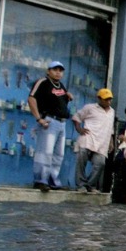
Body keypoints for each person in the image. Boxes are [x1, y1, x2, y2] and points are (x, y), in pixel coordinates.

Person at [27, 60, 74, 190]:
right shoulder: (43, 82)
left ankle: (52, 179)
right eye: (55, 70)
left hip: (62, 123)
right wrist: (38, 118)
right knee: (45, 152)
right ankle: (40, 180)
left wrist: (67, 96)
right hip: (50, 121)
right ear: (49, 71)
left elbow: (59, 102)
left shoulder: (61, 86)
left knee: (59, 154)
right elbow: (31, 98)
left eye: (60, 70)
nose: (58, 73)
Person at [71, 88, 115, 193]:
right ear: (99, 99)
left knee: (100, 163)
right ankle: (80, 185)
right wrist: (79, 129)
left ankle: (90, 185)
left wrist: (111, 141)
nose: (108, 102)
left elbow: (110, 127)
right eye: (106, 99)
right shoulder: (90, 108)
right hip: (88, 139)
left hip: (102, 142)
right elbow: (77, 117)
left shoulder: (112, 111)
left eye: (110, 99)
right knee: (81, 160)